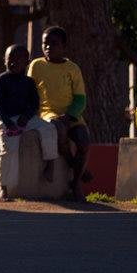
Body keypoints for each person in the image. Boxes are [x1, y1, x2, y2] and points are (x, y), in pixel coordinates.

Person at [27, 26, 92, 201]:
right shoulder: (36, 65)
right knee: (59, 130)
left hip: (71, 115)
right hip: (47, 114)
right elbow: (29, 92)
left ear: (64, 46)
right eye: (45, 44)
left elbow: (80, 99)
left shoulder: (73, 69)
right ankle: (77, 172)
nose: (48, 47)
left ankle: (75, 181)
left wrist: (69, 116)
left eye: (54, 44)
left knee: (84, 142)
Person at [0, 44, 58, 201]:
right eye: (10, 59)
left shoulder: (28, 82)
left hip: (26, 119)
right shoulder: (0, 80)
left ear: (27, 62)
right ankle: (4, 188)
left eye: (18, 60)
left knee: (49, 129)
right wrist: (9, 123)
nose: (13, 63)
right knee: (8, 149)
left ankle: (50, 163)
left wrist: (26, 117)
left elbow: (35, 103)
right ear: (4, 61)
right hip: (5, 120)